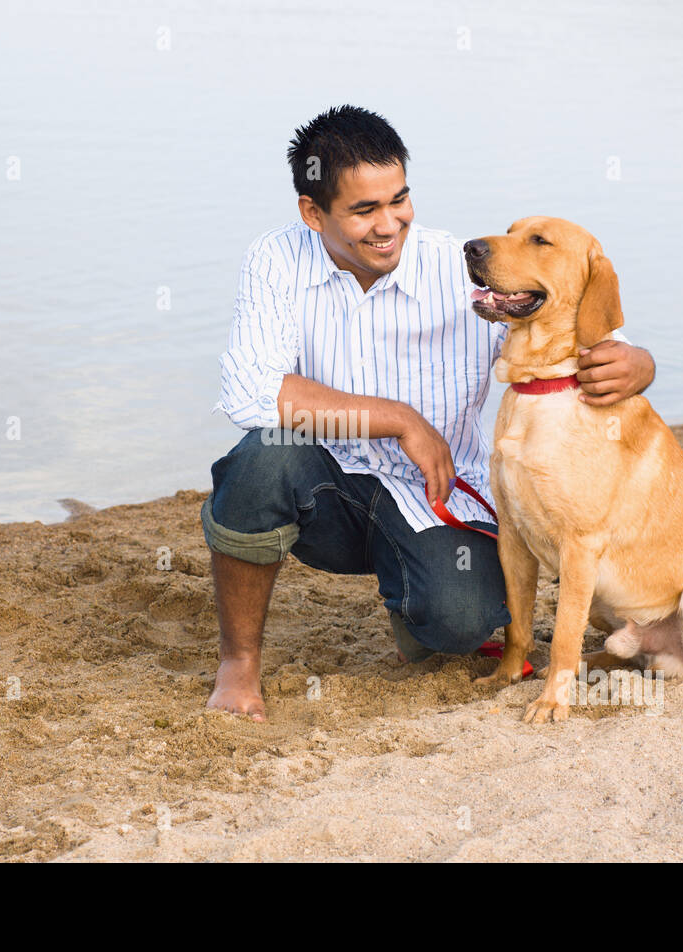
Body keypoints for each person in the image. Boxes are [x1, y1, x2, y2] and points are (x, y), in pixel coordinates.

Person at [200, 105, 655, 721]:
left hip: (433, 496)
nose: (389, 224)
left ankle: (414, 600)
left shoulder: (460, 266)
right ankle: (238, 665)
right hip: (322, 493)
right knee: (260, 457)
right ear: (313, 214)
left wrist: (639, 362)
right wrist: (400, 419)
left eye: (400, 200)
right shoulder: (276, 260)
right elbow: (252, 393)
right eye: (364, 211)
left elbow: (585, 326)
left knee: (459, 622)